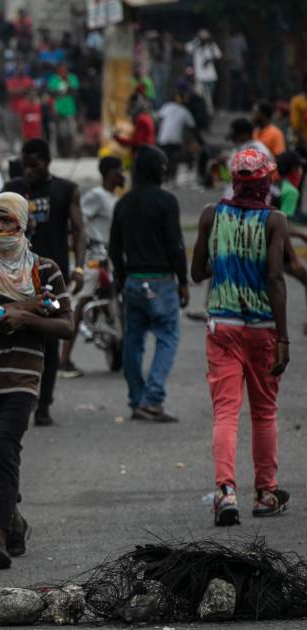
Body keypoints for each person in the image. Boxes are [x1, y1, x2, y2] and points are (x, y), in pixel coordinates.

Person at [0, 192, 74, 569]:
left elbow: (65, 323)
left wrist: (29, 320)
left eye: (5, 222)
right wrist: (10, 309)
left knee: (6, 448)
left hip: (23, 373)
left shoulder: (44, 272)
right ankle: (15, 522)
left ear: (22, 226)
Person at [189, 148, 290, 526]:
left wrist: (224, 256)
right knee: (264, 412)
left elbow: (198, 272)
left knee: (225, 413)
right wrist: (283, 337)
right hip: (262, 328)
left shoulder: (211, 216)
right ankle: (265, 492)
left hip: (223, 328)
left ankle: (225, 492)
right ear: (266, 183)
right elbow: (276, 280)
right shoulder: (274, 221)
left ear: (233, 181)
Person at [1, 139, 84, 426]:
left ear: (47, 162)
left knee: (49, 340)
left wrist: (80, 267)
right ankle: (16, 398)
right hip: (14, 276)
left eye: (34, 165)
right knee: (12, 334)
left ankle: (44, 404)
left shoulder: (65, 190)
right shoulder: (12, 190)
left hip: (52, 278)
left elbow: (78, 229)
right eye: (25, 164)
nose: (29, 170)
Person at [107, 146, 188, 422]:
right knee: (167, 337)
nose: (165, 171)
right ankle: (153, 400)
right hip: (161, 281)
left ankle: (136, 400)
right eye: (163, 167)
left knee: (133, 340)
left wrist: (121, 278)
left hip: (133, 281)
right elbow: (176, 245)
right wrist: (183, 281)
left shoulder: (123, 203)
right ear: (155, 169)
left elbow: (114, 248)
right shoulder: (167, 201)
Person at [59, 157, 123, 378]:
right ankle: (64, 359)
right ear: (108, 173)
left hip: (111, 258)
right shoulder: (96, 196)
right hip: (95, 258)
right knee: (81, 301)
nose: (122, 175)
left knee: (112, 299)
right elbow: (79, 222)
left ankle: (114, 343)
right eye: (118, 171)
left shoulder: (114, 198)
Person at [155, 91, 196, 182]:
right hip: (175, 139)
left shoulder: (166, 107)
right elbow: (192, 126)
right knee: (173, 159)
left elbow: (158, 119)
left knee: (164, 158)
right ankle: (171, 177)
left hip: (163, 138)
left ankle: (164, 177)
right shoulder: (184, 110)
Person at [46, 64, 79, 157]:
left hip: (70, 109)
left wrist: (66, 82)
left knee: (71, 132)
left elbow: (74, 91)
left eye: (65, 69)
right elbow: (51, 92)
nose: (63, 71)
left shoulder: (72, 77)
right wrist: (64, 90)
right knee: (60, 133)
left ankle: (71, 153)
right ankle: (61, 153)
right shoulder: (54, 79)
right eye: (61, 69)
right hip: (58, 109)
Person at [185, 29, 221, 109]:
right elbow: (187, 48)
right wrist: (196, 41)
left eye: (205, 38)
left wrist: (209, 59)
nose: (203, 40)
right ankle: (202, 111)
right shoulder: (195, 45)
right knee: (200, 96)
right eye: (202, 38)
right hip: (199, 77)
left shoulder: (211, 45)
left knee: (210, 96)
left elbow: (218, 55)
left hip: (211, 76)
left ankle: (209, 111)